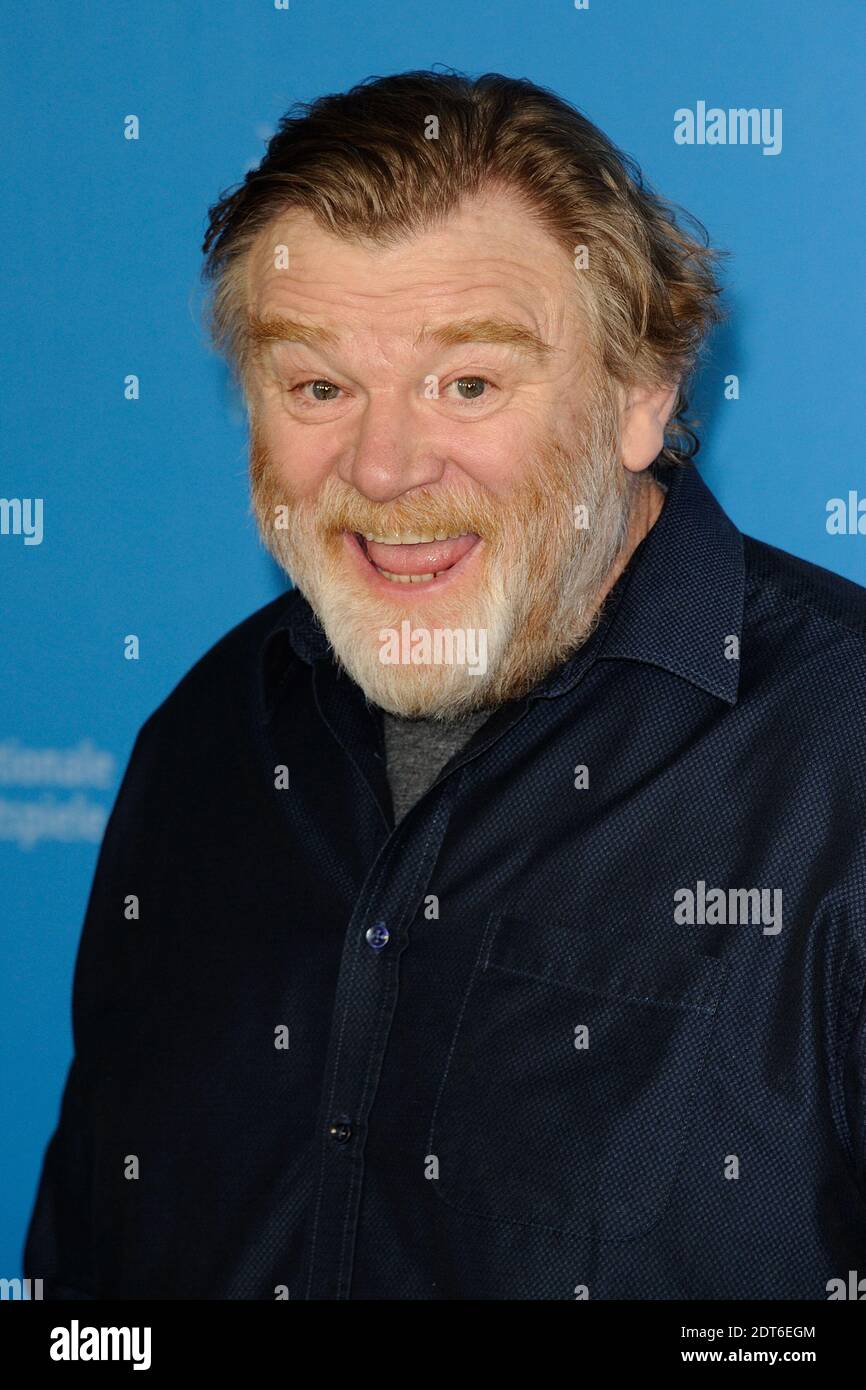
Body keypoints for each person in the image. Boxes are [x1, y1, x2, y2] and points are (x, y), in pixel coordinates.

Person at [25, 70, 866, 1300]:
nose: (382, 465)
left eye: (466, 384)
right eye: (318, 387)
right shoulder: (201, 743)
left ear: (641, 395)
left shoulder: (837, 763)